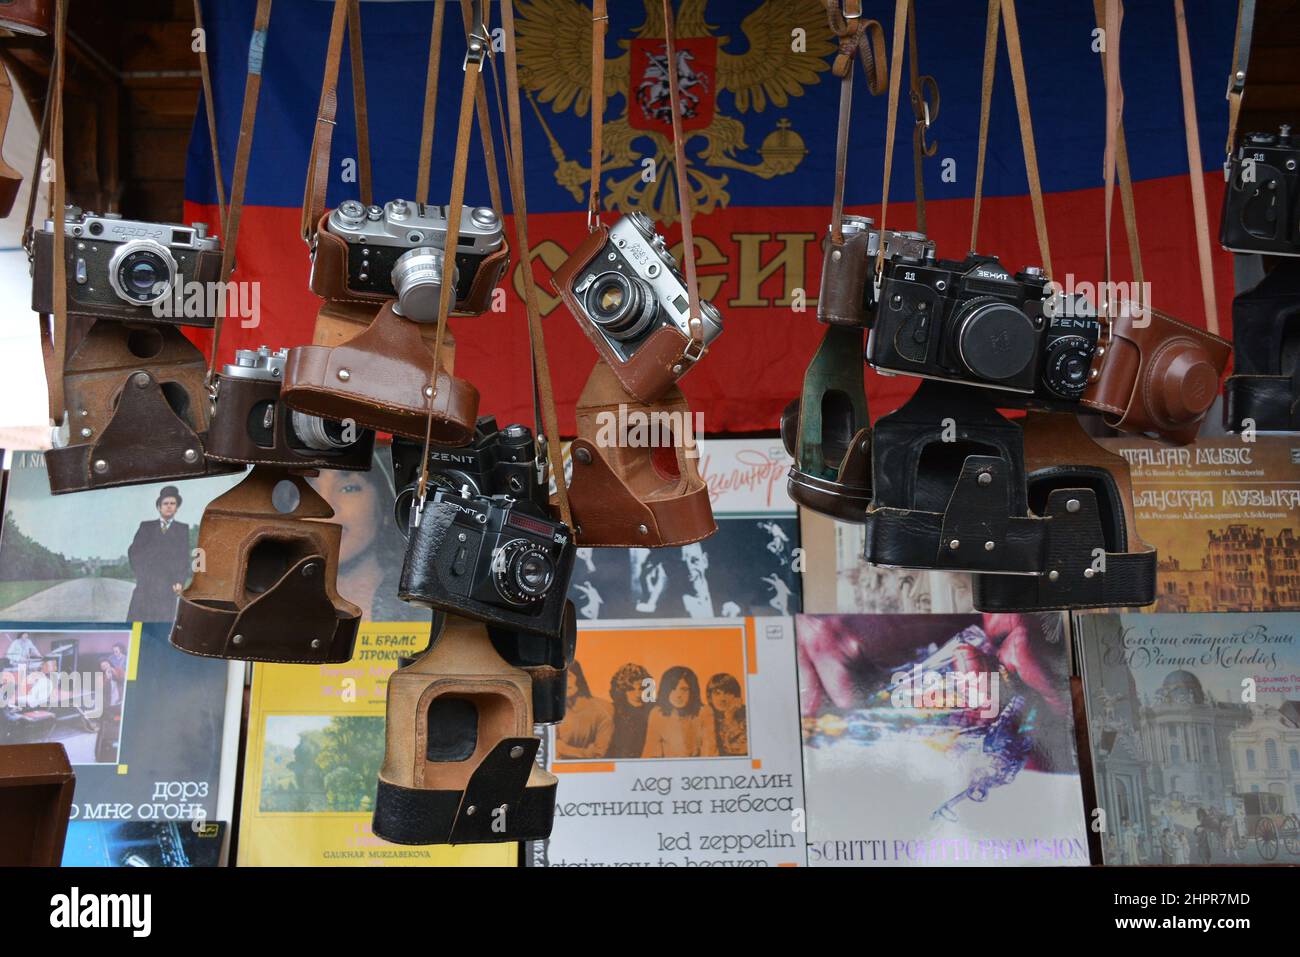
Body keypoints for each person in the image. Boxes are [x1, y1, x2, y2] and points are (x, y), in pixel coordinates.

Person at [309, 466, 409, 621]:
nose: (325, 507)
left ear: (384, 509)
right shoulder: (274, 610)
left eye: (348, 488)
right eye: (308, 490)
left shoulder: (420, 608)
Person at [126, 486, 192, 622]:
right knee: (139, 622)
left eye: (172, 504)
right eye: (165, 504)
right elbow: (133, 551)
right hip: (145, 585)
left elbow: (184, 557)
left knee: (163, 624)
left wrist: (180, 580)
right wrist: (141, 573)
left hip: (168, 586)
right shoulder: (146, 527)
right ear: (159, 507)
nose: (169, 507)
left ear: (177, 507)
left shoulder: (182, 529)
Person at [642, 666, 716, 758]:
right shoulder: (657, 714)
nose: (678, 695)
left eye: (684, 689)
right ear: (666, 691)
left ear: (692, 691)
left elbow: (709, 752)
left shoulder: (704, 712)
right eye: (673, 689)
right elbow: (651, 753)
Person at [555, 661, 613, 759]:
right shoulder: (554, 712)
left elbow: (598, 754)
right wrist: (584, 752)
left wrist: (563, 748)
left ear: (578, 678)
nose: (563, 682)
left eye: (568, 676)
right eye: (558, 678)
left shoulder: (601, 713)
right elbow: (551, 748)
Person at [606, 663, 653, 758]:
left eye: (641, 688)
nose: (637, 693)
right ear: (622, 689)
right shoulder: (613, 711)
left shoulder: (654, 710)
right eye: (631, 689)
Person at [707, 673, 747, 756]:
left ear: (736, 695)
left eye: (728, 693)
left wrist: (730, 718)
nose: (722, 698)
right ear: (710, 697)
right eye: (717, 693)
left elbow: (741, 750)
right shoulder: (707, 715)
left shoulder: (746, 714)